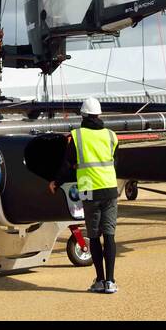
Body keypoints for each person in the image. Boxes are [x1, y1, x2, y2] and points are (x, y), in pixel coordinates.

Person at [50, 96, 119, 294]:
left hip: (89, 189)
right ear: (99, 115)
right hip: (109, 188)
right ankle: (111, 281)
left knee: (95, 236)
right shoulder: (111, 136)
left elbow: (67, 164)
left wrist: (56, 182)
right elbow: (115, 162)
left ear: (83, 116)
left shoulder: (78, 136)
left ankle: (99, 280)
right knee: (110, 235)